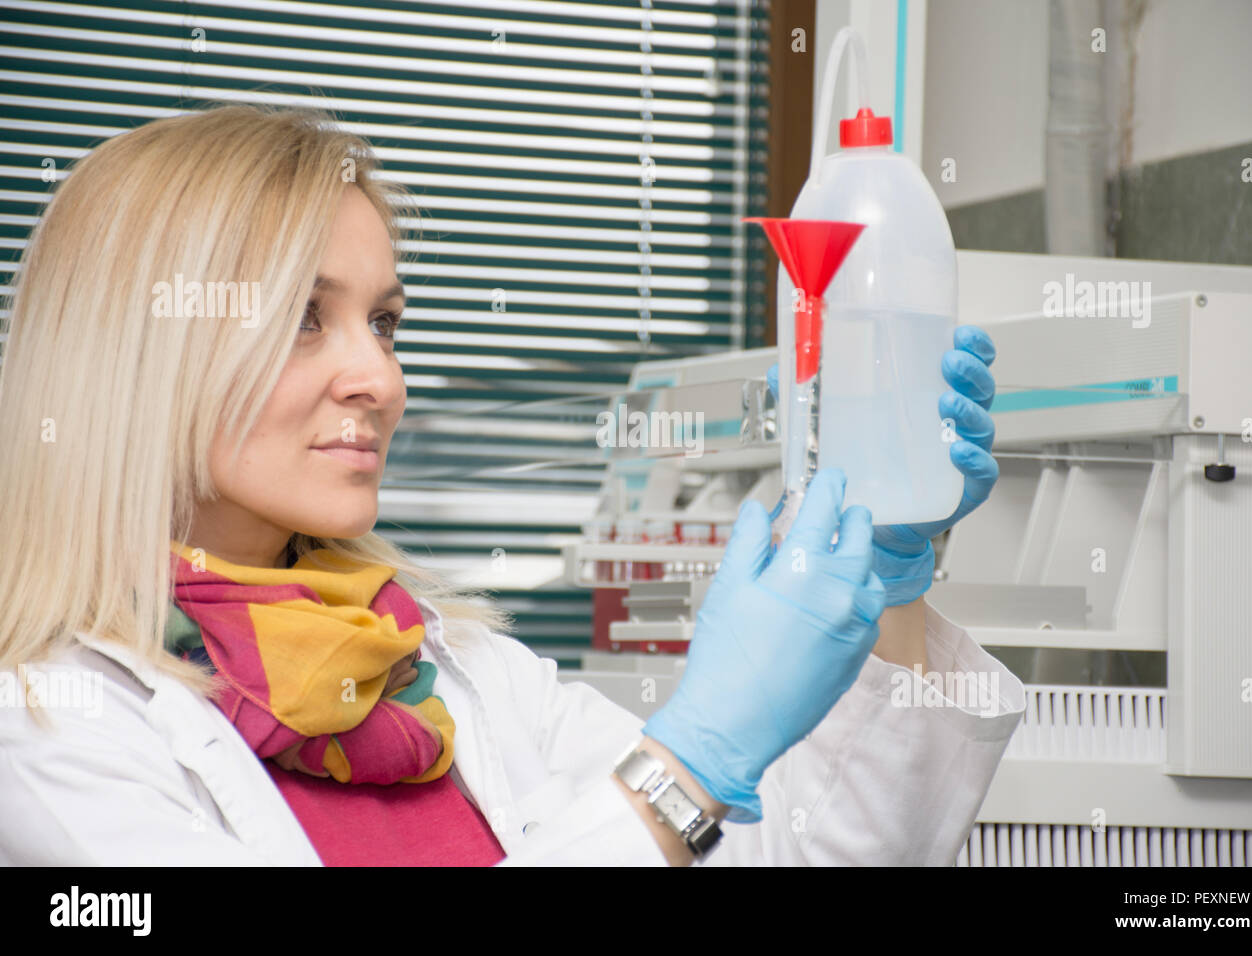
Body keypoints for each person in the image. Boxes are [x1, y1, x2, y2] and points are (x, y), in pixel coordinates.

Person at [0, 104, 1025, 866]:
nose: (382, 380)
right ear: (135, 352)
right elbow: (662, 809)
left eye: (384, 322)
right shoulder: (48, 724)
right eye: (305, 319)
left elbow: (810, 856)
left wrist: (891, 567)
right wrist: (689, 765)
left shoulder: (443, 668)